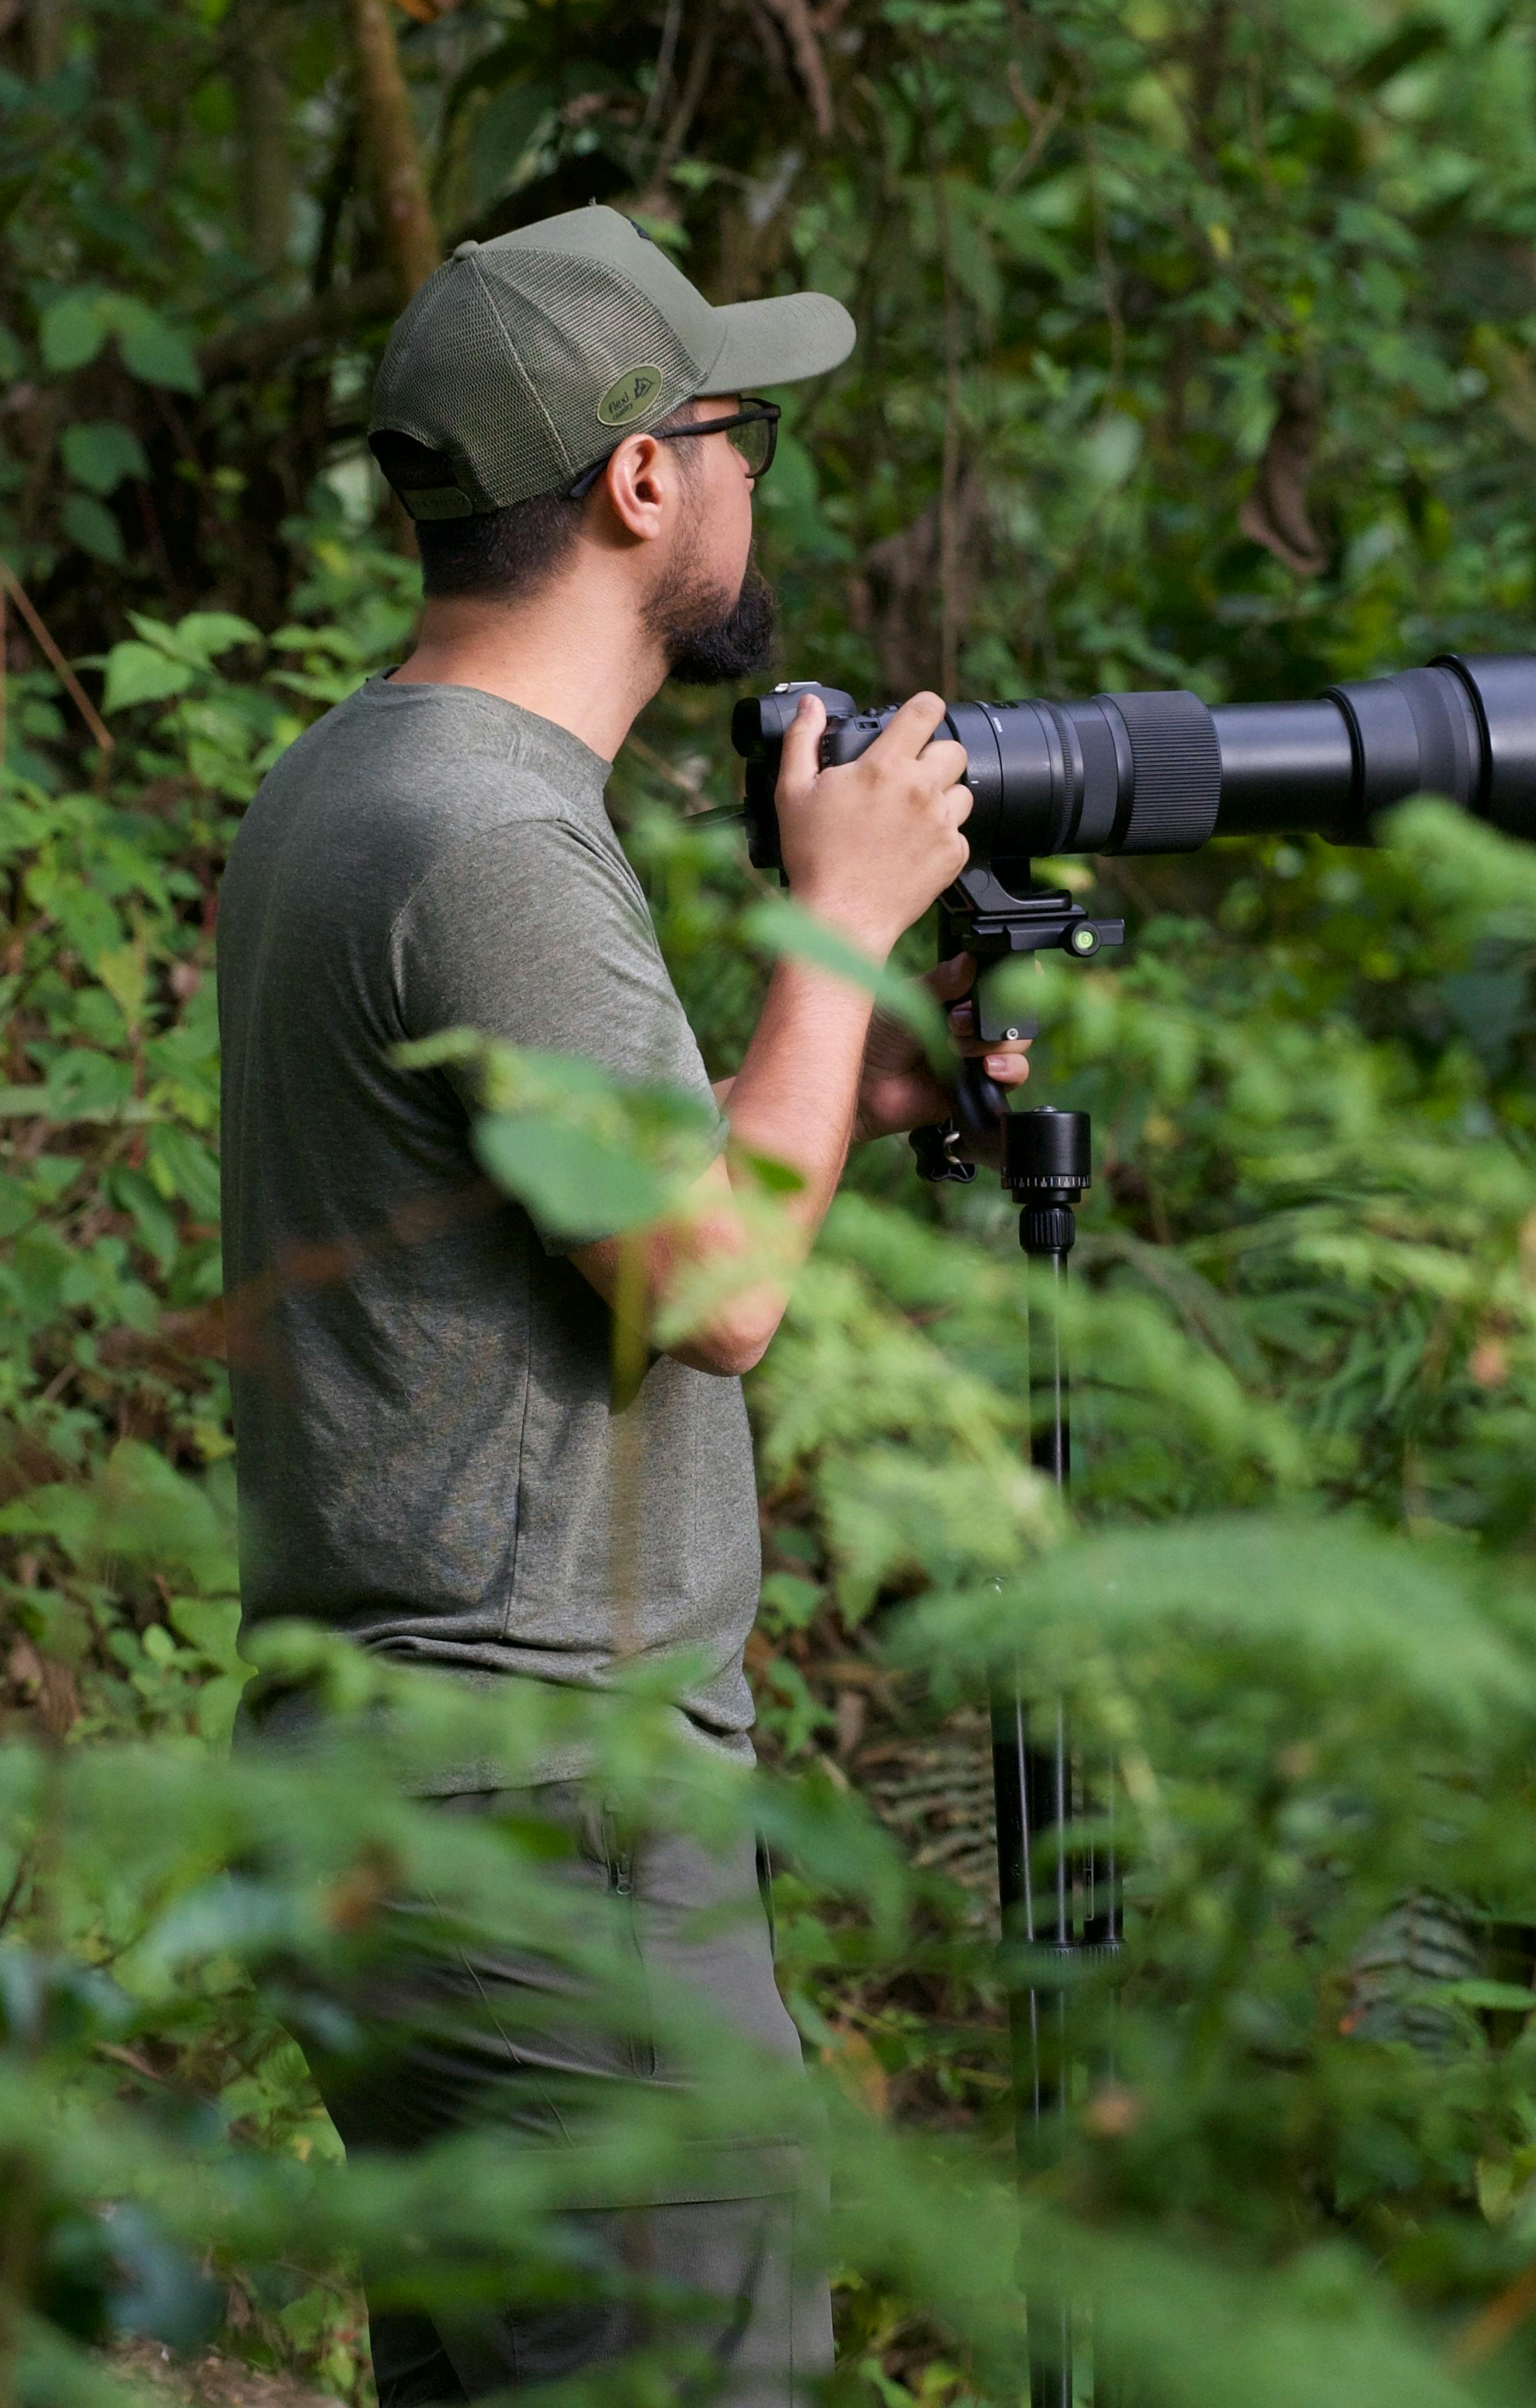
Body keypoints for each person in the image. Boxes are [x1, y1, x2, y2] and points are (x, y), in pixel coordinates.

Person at [213, 204, 1024, 2402]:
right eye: (742, 429)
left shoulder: (353, 782)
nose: (761, 480)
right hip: (542, 1800)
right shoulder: (484, 838)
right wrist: (839, 927)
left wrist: (847, 1054)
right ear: (643, 479)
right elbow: (716, 1285)